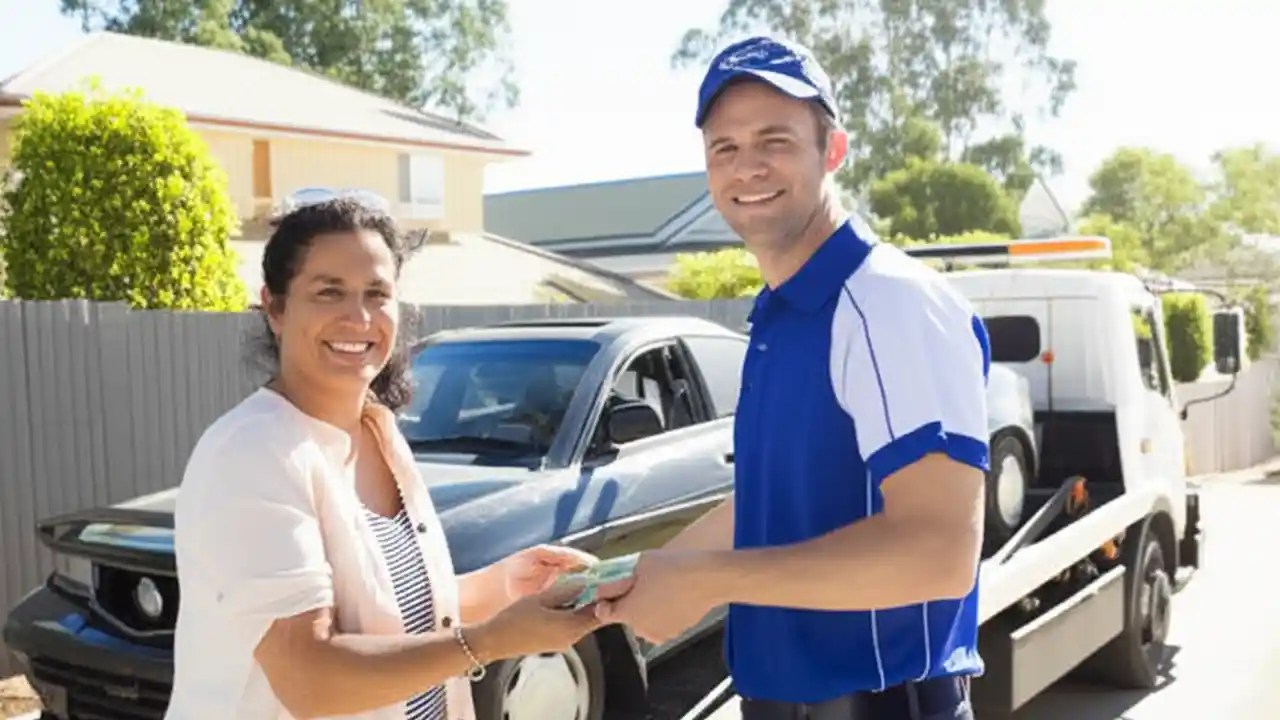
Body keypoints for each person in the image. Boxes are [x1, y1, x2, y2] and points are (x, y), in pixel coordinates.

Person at [594, 36, 991, 720]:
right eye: (725, 147)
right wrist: (624, 580)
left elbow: (939, 550)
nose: (747, 166)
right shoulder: (786, 313)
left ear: (832, 151)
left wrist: (705, 581)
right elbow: (778, 503)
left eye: (774, 140)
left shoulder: (887, 303)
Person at [166, 194, 602, 720]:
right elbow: (309, 677)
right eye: (329, 292)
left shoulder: (378, 431)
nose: (359, 316)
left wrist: (507, 585)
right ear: (276, 308)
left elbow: (395, 614)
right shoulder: (252, 452)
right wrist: (486, 643)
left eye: (377, 293)